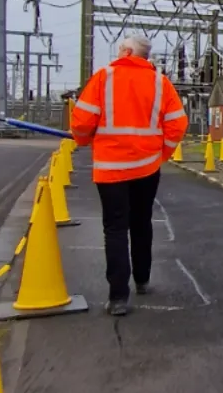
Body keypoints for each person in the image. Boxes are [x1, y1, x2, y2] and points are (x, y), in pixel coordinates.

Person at [69, 34, 187, 316]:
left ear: (127, 52)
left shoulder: (103, 78)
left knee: (115, 228)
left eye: (121, 48)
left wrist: (84, 140)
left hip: (111, 168)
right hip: (147, 167)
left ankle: (118, 297)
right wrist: (161, 154)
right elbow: (177, 124)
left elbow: (82, 121)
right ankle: (142, 279)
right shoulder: (160, 83)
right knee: (142, 222)